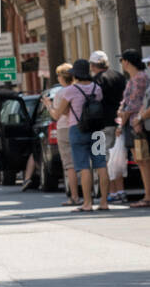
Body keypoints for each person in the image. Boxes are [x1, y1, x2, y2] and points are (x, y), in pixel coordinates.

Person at [52, 59, 109, 212]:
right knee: (101, 164)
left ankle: (87, 203)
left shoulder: (71, 90)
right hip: (97, 130)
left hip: (77, 129)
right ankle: (104, 202)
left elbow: (59, 113)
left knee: (84, 167)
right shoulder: (97, 88)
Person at [89, 51, 126, 202]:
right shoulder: (119, 76)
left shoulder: (96, 81)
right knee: (118, 158)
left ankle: (112, 192)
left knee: (104, 158)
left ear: (92, 65)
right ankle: (121, 190)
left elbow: (94, 102)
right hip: (119, 122)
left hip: (102, 124)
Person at [42, 66, 78, 204]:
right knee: (84, 163)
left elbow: (56, 115)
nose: (57, 78)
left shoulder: (61, 93)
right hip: (81, 127)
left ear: (62, 77)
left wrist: (48, 105)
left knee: (70, 165)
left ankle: (74, 196)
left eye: (58, 76)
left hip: (64, 128)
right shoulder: (79, 89)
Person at [118, 50, 150, 207]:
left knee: (143, 160)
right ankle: (147, 194)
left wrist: (122, 116)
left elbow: (135, 104)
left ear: (127, 62)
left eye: (122, 60)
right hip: (131, 122)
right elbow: (127, 101)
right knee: (140, 160)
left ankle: (148, 196)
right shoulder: (134, 78)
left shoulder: (139, 78)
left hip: (137, 124)